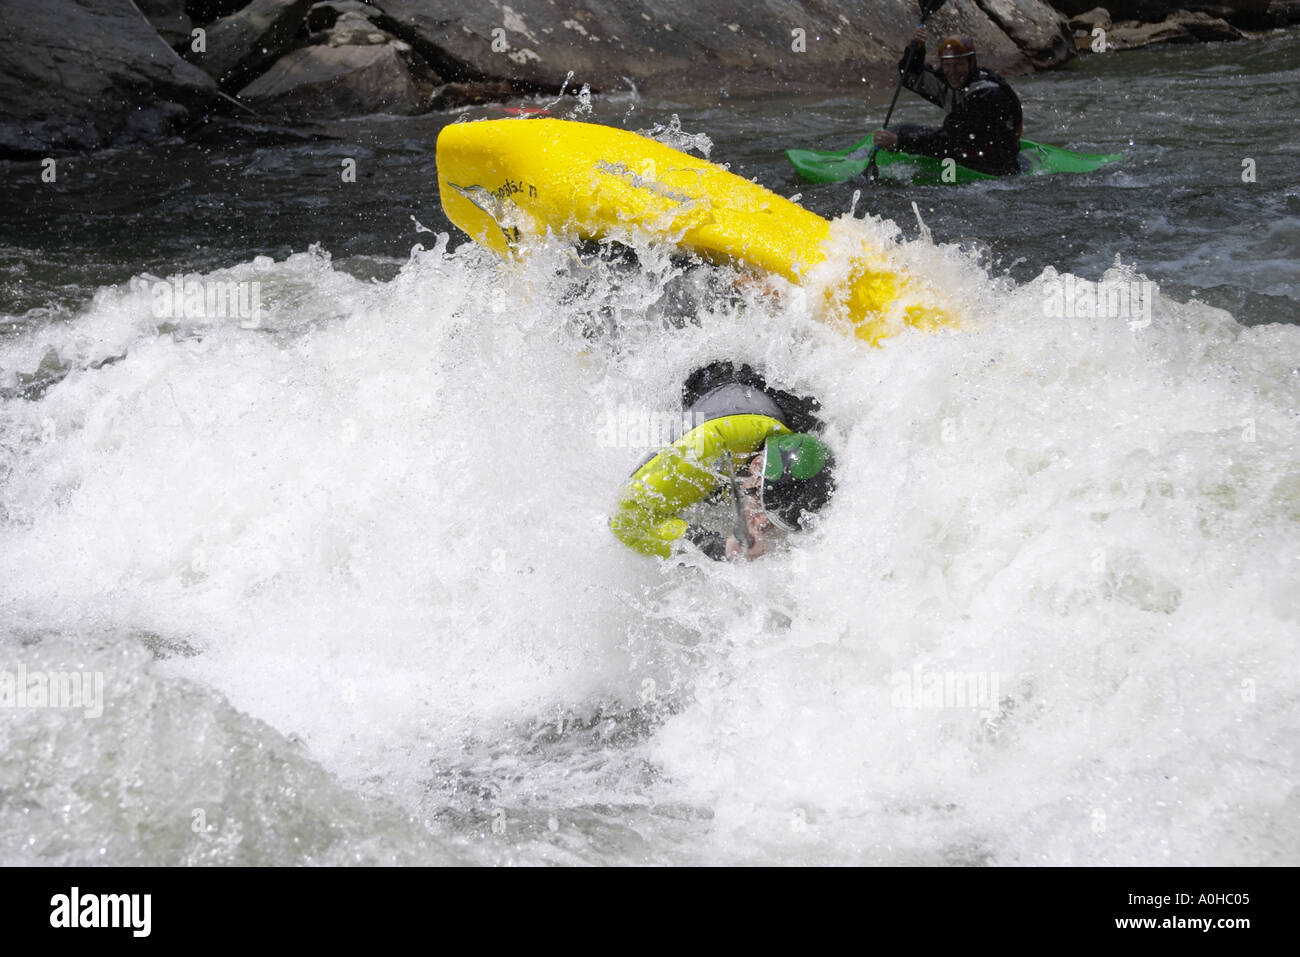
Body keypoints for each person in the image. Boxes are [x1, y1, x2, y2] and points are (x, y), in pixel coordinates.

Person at [609, 361, 836, 561]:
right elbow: (626, 519)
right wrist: (717, 548)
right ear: (756, 466)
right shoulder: (705, 451)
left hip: (748, 388)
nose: (761, 524)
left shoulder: (797, 438)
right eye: (763, 509)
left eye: (772, 521)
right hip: (693, 380)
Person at [872, 30, 1023, 177]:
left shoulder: (986, 94)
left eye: (958, 65)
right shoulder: (956, 81)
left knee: (905, 136)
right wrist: (916, 49)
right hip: (968, 144)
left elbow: (947, 141)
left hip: (995, 164)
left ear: (971, 63)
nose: (952, 71)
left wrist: (899, 142)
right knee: (902, 129)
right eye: (947, 65)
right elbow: (911, 78)